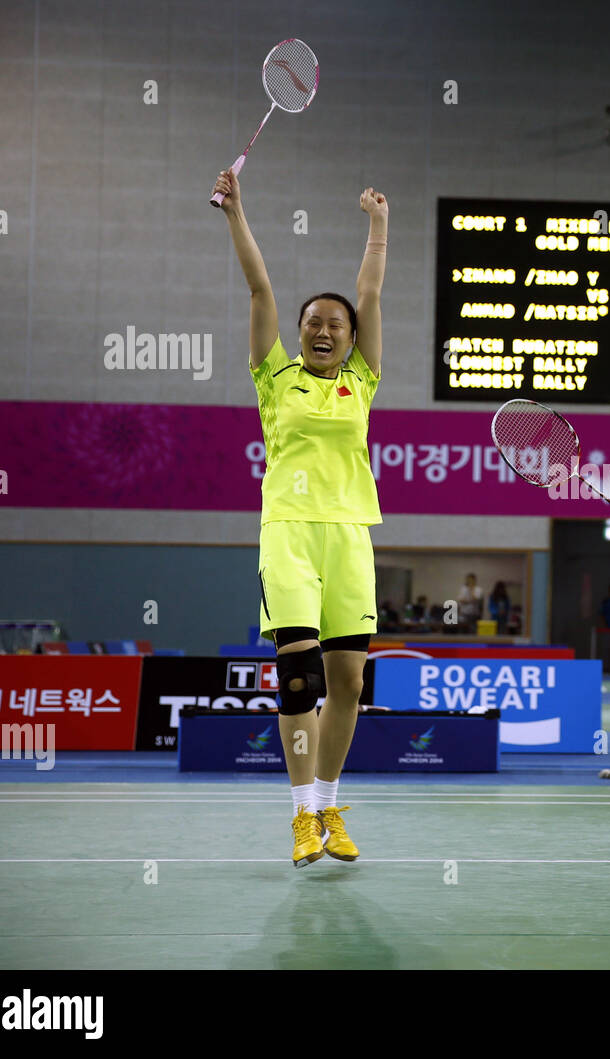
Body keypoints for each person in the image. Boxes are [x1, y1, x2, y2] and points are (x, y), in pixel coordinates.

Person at [213, 165, 387, 869]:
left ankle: (330, 805)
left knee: (347, 681)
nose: (321, 329)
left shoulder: (362, 382)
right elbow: (260, 287)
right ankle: (299, 814)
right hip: (287, 534)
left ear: (349, 339)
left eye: (334, 324)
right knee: (298, 679)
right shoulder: (274, 376)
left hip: (350, 535)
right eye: (313, 322)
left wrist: (379, 225)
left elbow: (371, 288)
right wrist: (236, 211)